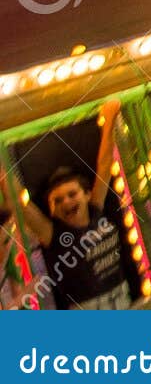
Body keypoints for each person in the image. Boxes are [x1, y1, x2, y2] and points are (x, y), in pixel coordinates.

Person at [10, 99, 132, 309]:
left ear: (86, 194)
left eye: (72, 194)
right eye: (57, 200)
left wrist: (110, 118)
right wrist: (4, 175)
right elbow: (20, 205)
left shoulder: (96, 209)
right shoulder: (52, 234)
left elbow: (104, 165)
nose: (66, 201)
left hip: (123, 301)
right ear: (50, 209)